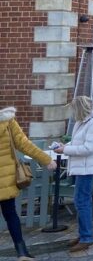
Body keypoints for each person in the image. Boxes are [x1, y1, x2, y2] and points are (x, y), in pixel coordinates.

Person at [54, 96, 93, 253]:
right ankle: (83, 235)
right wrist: (64, 145)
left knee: (82, 201)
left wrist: (65, 150)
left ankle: (87, 237)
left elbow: (89, 148)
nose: (73, 114)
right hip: (84, 166)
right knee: (81, 201)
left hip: (89, 167)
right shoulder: (85, 120)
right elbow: (78, 142)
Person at [1, 106, 57, 261]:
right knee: (11, 214)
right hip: (5, 179)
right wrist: (46, 159)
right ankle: (22, 252)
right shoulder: (7, 120)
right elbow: (24, 144)